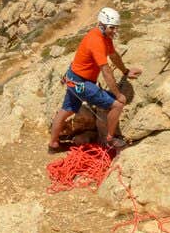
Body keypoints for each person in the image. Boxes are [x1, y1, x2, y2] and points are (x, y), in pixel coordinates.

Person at [48, 8, 142, 153]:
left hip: (73, 78)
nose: (114, 31)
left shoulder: (104, 37)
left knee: (65, 111)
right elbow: (106, 71)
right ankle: (110, 139)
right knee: (117, 105)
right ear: (102, 25)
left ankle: (53, 145)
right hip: (81, 83)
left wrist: (125, 71)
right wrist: (118, 95)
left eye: (116, 28)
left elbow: (114, 55)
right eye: (112, 27)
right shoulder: (96, 41)